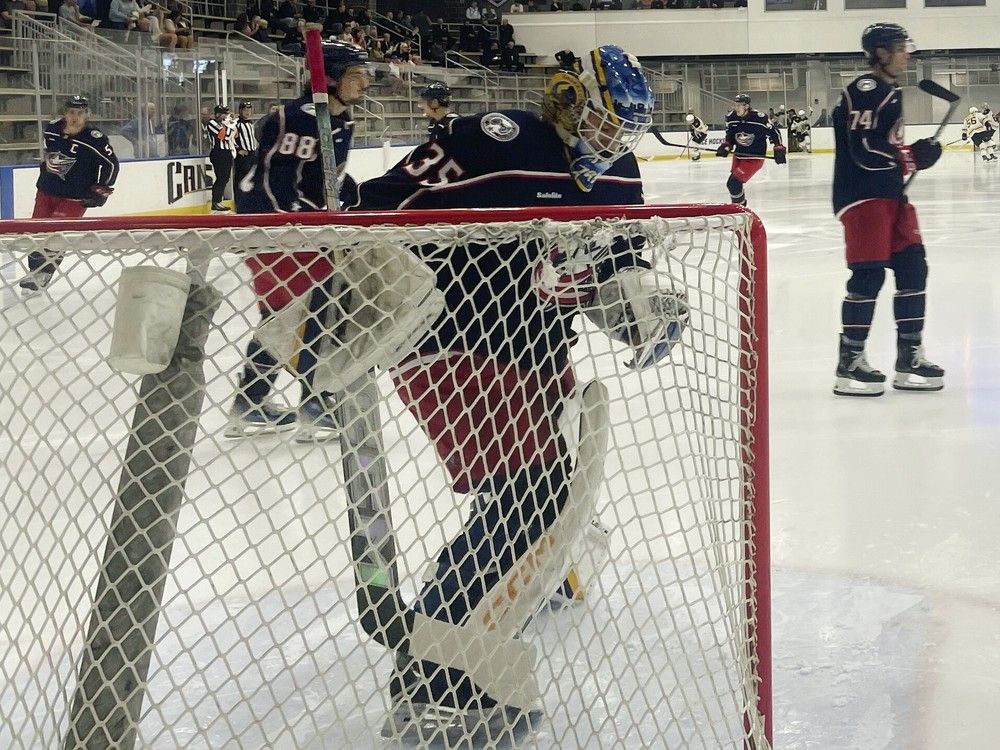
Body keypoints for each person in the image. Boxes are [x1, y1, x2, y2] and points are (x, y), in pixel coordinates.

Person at [350, 46, 683, 742]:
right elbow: (379, 205)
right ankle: (432, 681)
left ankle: (516, 583)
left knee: (550, 489)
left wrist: (640, 302)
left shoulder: (621, 172)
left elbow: (617, 261)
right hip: (453, 343)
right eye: (604, 123)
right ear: (570, 98)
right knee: (531, 497)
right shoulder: (496, 139)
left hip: (541, 350)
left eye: (625, 131)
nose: (612, 142)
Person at [230, 41, 370, 441]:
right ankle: (314, 406)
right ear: (330, 78)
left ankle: (250, 403)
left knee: (279, 319)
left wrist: (352, 202)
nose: (364, 85)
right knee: (323, 310)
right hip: (278, 232)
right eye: (356, 76)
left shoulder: (339, 120)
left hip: (291, 232)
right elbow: (274, 181)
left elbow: (325, 178)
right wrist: (302, 227)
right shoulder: (296, 117)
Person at [831, 23, 944, 396]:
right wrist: (910, 156)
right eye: (899, 48)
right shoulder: (867, 89)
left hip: (890, 196)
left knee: (913, 267)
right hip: (864, 197)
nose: (906, 54)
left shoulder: (888, 91)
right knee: (868, 276)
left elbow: (884, 146)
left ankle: (909, 357)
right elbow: (863, 148)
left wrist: (913, 155)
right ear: (880, 52)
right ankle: (850, 363)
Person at [20, 96, 119, 294]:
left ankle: (43, 275)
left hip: (75, 196)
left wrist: (101, 190)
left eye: (80, 113)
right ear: (65, 113)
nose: (75, 117)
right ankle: (35, 272)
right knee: (37, 232)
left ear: (87, 115)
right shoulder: (52, 129)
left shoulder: (95, 138)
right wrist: (45, 171)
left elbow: (111, 164)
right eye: (71, 112)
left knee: (56, 234)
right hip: (47, 190)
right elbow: (49, 153)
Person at [715, 93, 785, 206]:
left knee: (734, 183)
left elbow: (774, 132)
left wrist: (778, 148)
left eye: (739, 105)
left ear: (747, 106)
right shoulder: (731, 117)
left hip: (754, 157)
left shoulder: (760, 118)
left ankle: (739, 207)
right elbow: (730, 135)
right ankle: (740, 205)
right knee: (733, 184)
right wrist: (726, 145)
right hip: (739, 156)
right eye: (735, 105)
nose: (736, 108)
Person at [204, 103, 236, 211]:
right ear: (217, 114)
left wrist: (230, 125)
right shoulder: (212, 123)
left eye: (226, 114)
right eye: (223, 114)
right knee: (221, 178)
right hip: (218, 153)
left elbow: (234, 135)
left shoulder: (223, 124)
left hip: (227, 152)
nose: (225, 116)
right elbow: (224, 136)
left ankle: (219, 201)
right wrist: (230, 126)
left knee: (225, 178)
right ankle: (216, 202)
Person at [232, 100, 258, 187]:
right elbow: (231, 138)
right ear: (240, 111)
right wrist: (238, 150)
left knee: (251, 177)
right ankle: (239, 194)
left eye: (249, 110)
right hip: (243, 155)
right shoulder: (237, 123)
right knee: (241, 177)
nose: (247, 112)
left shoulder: (250, 123)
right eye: (245, 110)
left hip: (252, 153)